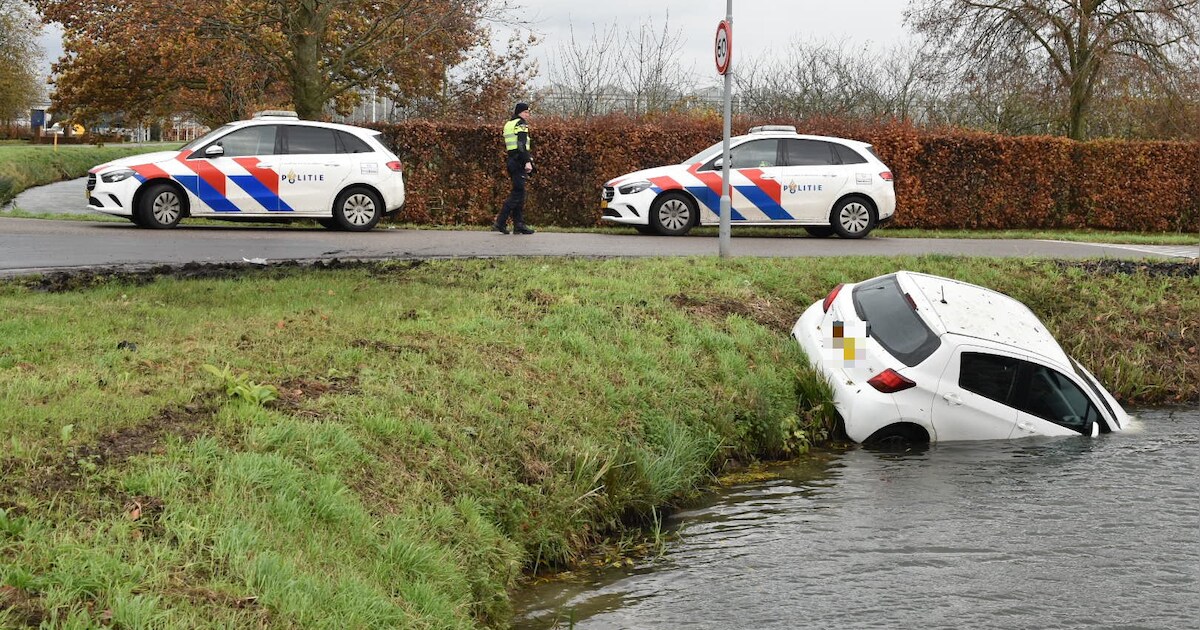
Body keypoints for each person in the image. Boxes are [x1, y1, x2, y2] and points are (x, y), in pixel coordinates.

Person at [493, 102, 535, 234]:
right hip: (519, 161)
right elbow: (521, 144)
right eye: (526, 112)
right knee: (517, 193)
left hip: (511, 160)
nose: (528, 115)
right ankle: (500, 222)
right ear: (520, 112)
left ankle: (519, 224)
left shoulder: (508, 124)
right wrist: (527, 161)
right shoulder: (521, 124)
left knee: (520, 193)